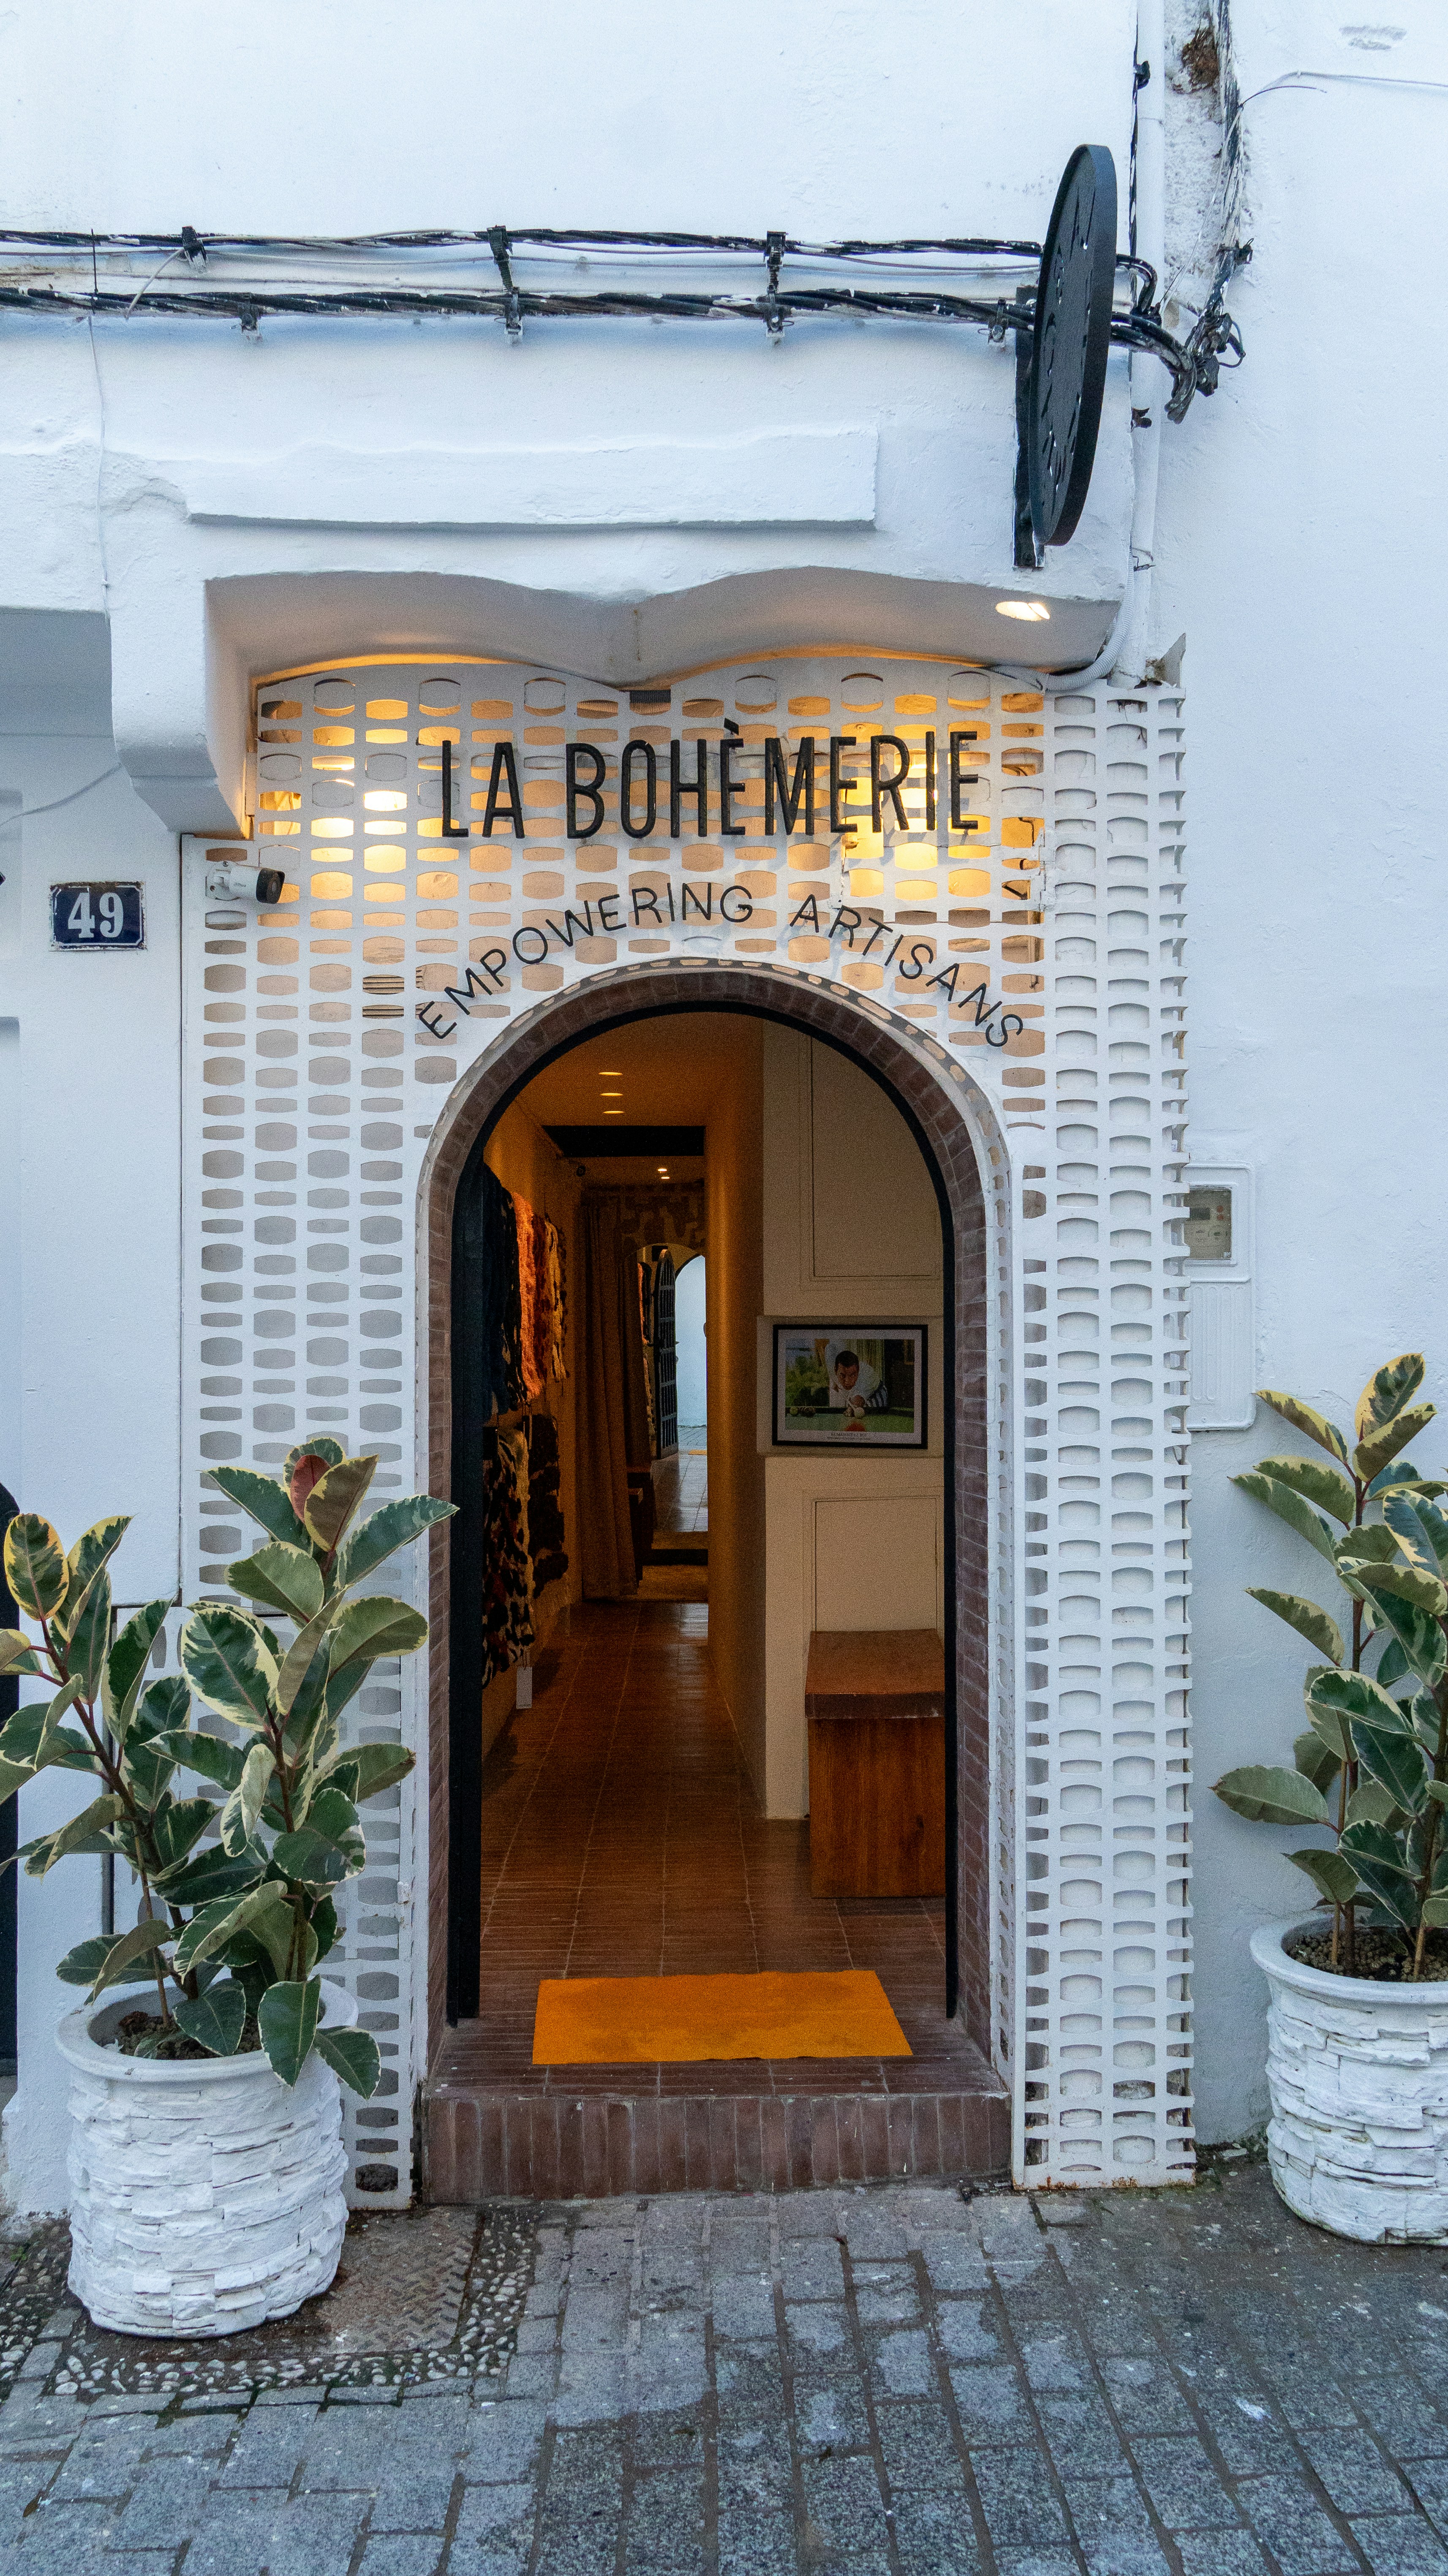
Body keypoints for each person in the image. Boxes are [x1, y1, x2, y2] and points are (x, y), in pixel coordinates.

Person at [827, 1346, 890, 1425]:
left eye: (853, 1375)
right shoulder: (833, 1369)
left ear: (859, 1369)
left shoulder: (866, 1376)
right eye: (843, 1376)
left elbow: (858, 1400)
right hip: (855, 1393)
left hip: (875, 1395)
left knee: (872, 1423)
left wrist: (853, 1407)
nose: (847, 1382)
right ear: (836, 1371)